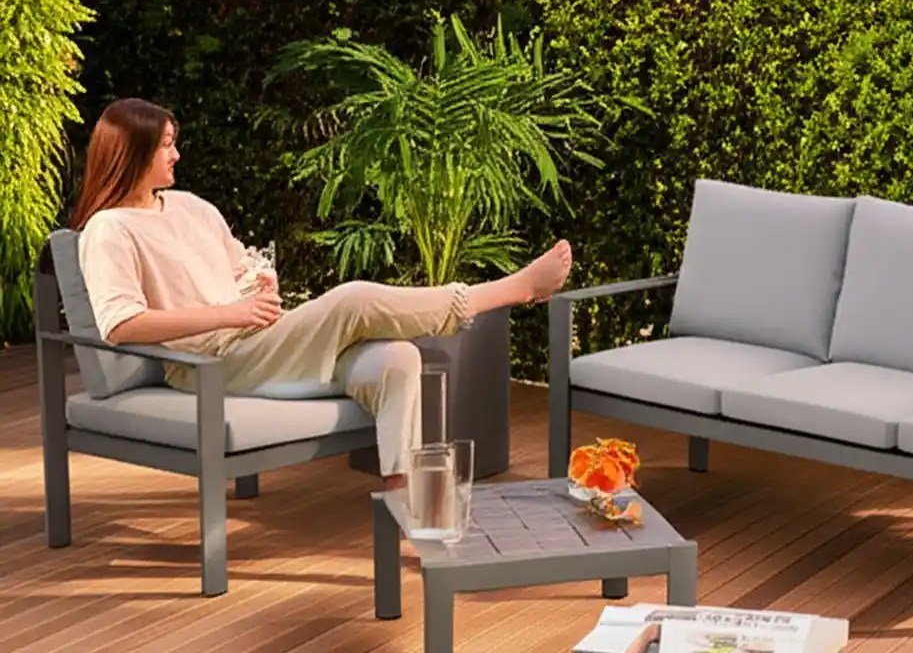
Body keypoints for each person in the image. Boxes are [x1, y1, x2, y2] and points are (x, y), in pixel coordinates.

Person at [69, 97, 573, 490]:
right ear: (133, 152)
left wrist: (257, 286)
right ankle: (513, 289)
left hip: (262, 342)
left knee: (397, 358)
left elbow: (240, 268)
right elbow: (121, 325)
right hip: (211, 362)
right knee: (352, 298)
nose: (176, 153)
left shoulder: (191, 207)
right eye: (165, 145)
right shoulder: (109, 229)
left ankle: (402, 499)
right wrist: (231, 312)